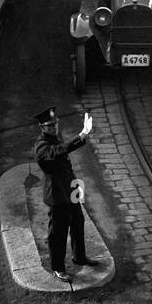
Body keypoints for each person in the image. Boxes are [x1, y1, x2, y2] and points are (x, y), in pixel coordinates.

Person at [33, 108, 96, 279]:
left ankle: (79, 257)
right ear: (42, 127)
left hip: (71, 188)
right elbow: (59, 151)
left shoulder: (54, 138)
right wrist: (81, 135)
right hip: (57, 194)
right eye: (50, 126)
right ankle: (58, 268)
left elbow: (62, 150)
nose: (54, 128)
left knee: (78, 222)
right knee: (58, 232)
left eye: (56, 124)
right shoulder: (42, 146)